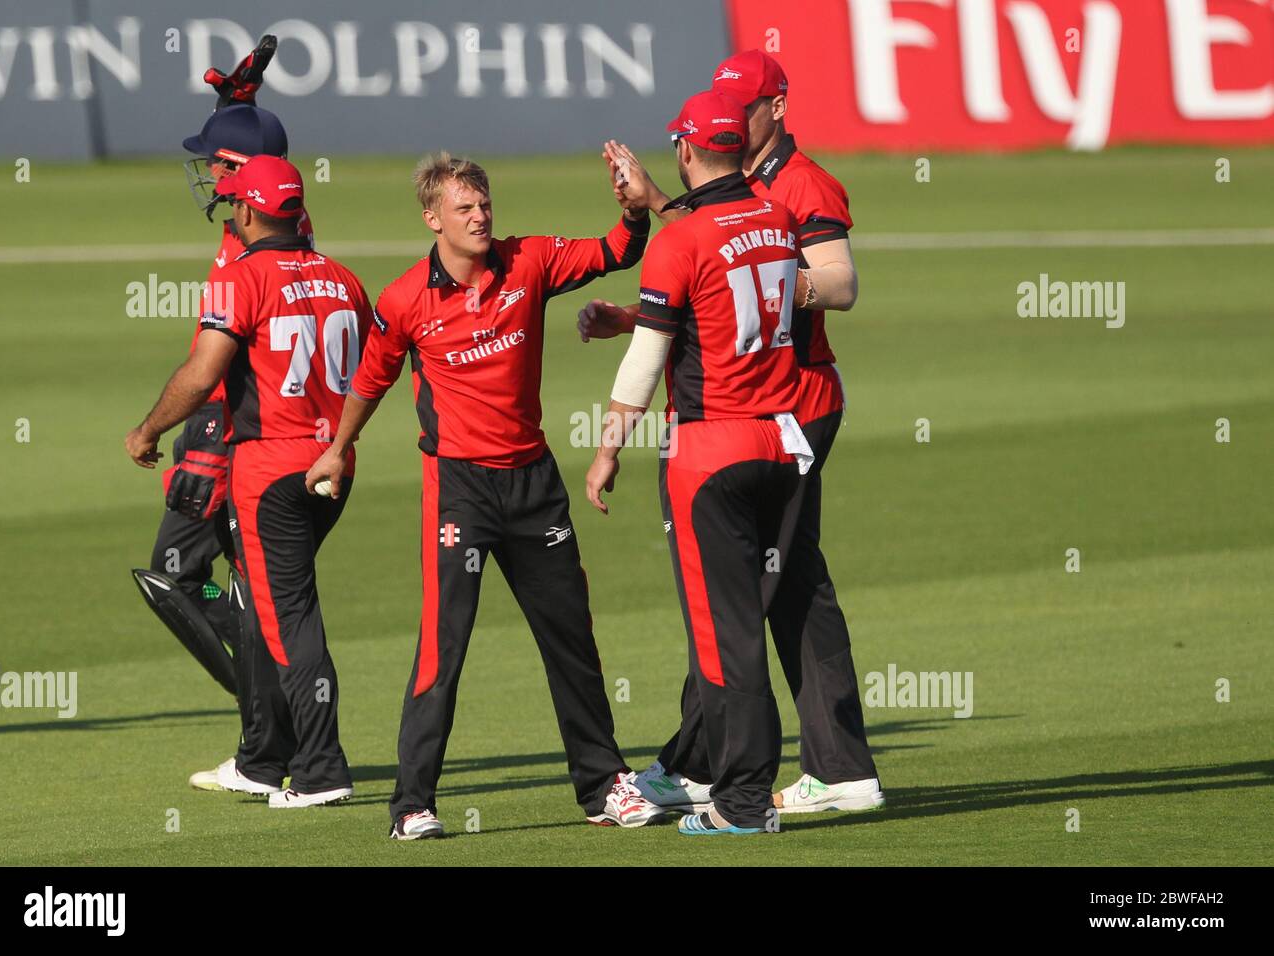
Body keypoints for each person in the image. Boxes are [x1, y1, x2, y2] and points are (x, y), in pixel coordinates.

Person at [304, 152, 663, 840]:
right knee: (446, 646)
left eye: (484, 203)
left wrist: (633, 209)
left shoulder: (528, 260)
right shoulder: (406, 298)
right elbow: (370, 381)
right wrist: (339, 447)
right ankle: (412, 803)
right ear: (431, 218)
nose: (479, 216)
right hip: (459, 492)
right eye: (463, 208)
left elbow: (617, 252)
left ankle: (604, 786)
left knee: (571, 637)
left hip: (534, 486)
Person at [580, 50, 883, 816]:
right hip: (765, 408)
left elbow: (840, 284)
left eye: (744, 106)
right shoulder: (756, 201)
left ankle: (714, 772)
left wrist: (740, 296)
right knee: (783, 584)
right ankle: (827, 765)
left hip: (781, 408)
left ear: (774, 109)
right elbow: (714, 260)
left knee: (741, 594)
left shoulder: (800, 186)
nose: (735, 118)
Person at [126, 156, 370, 808]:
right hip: (335, 466)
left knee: (288, 617)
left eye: (235, 201)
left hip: (269, 472)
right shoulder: (346, 279)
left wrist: (148, 430)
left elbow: (204, 374)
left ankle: (319, 767)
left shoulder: (242, 277)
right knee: (268, 607)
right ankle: (263, 761)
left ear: (249, 211)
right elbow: (372, 374)